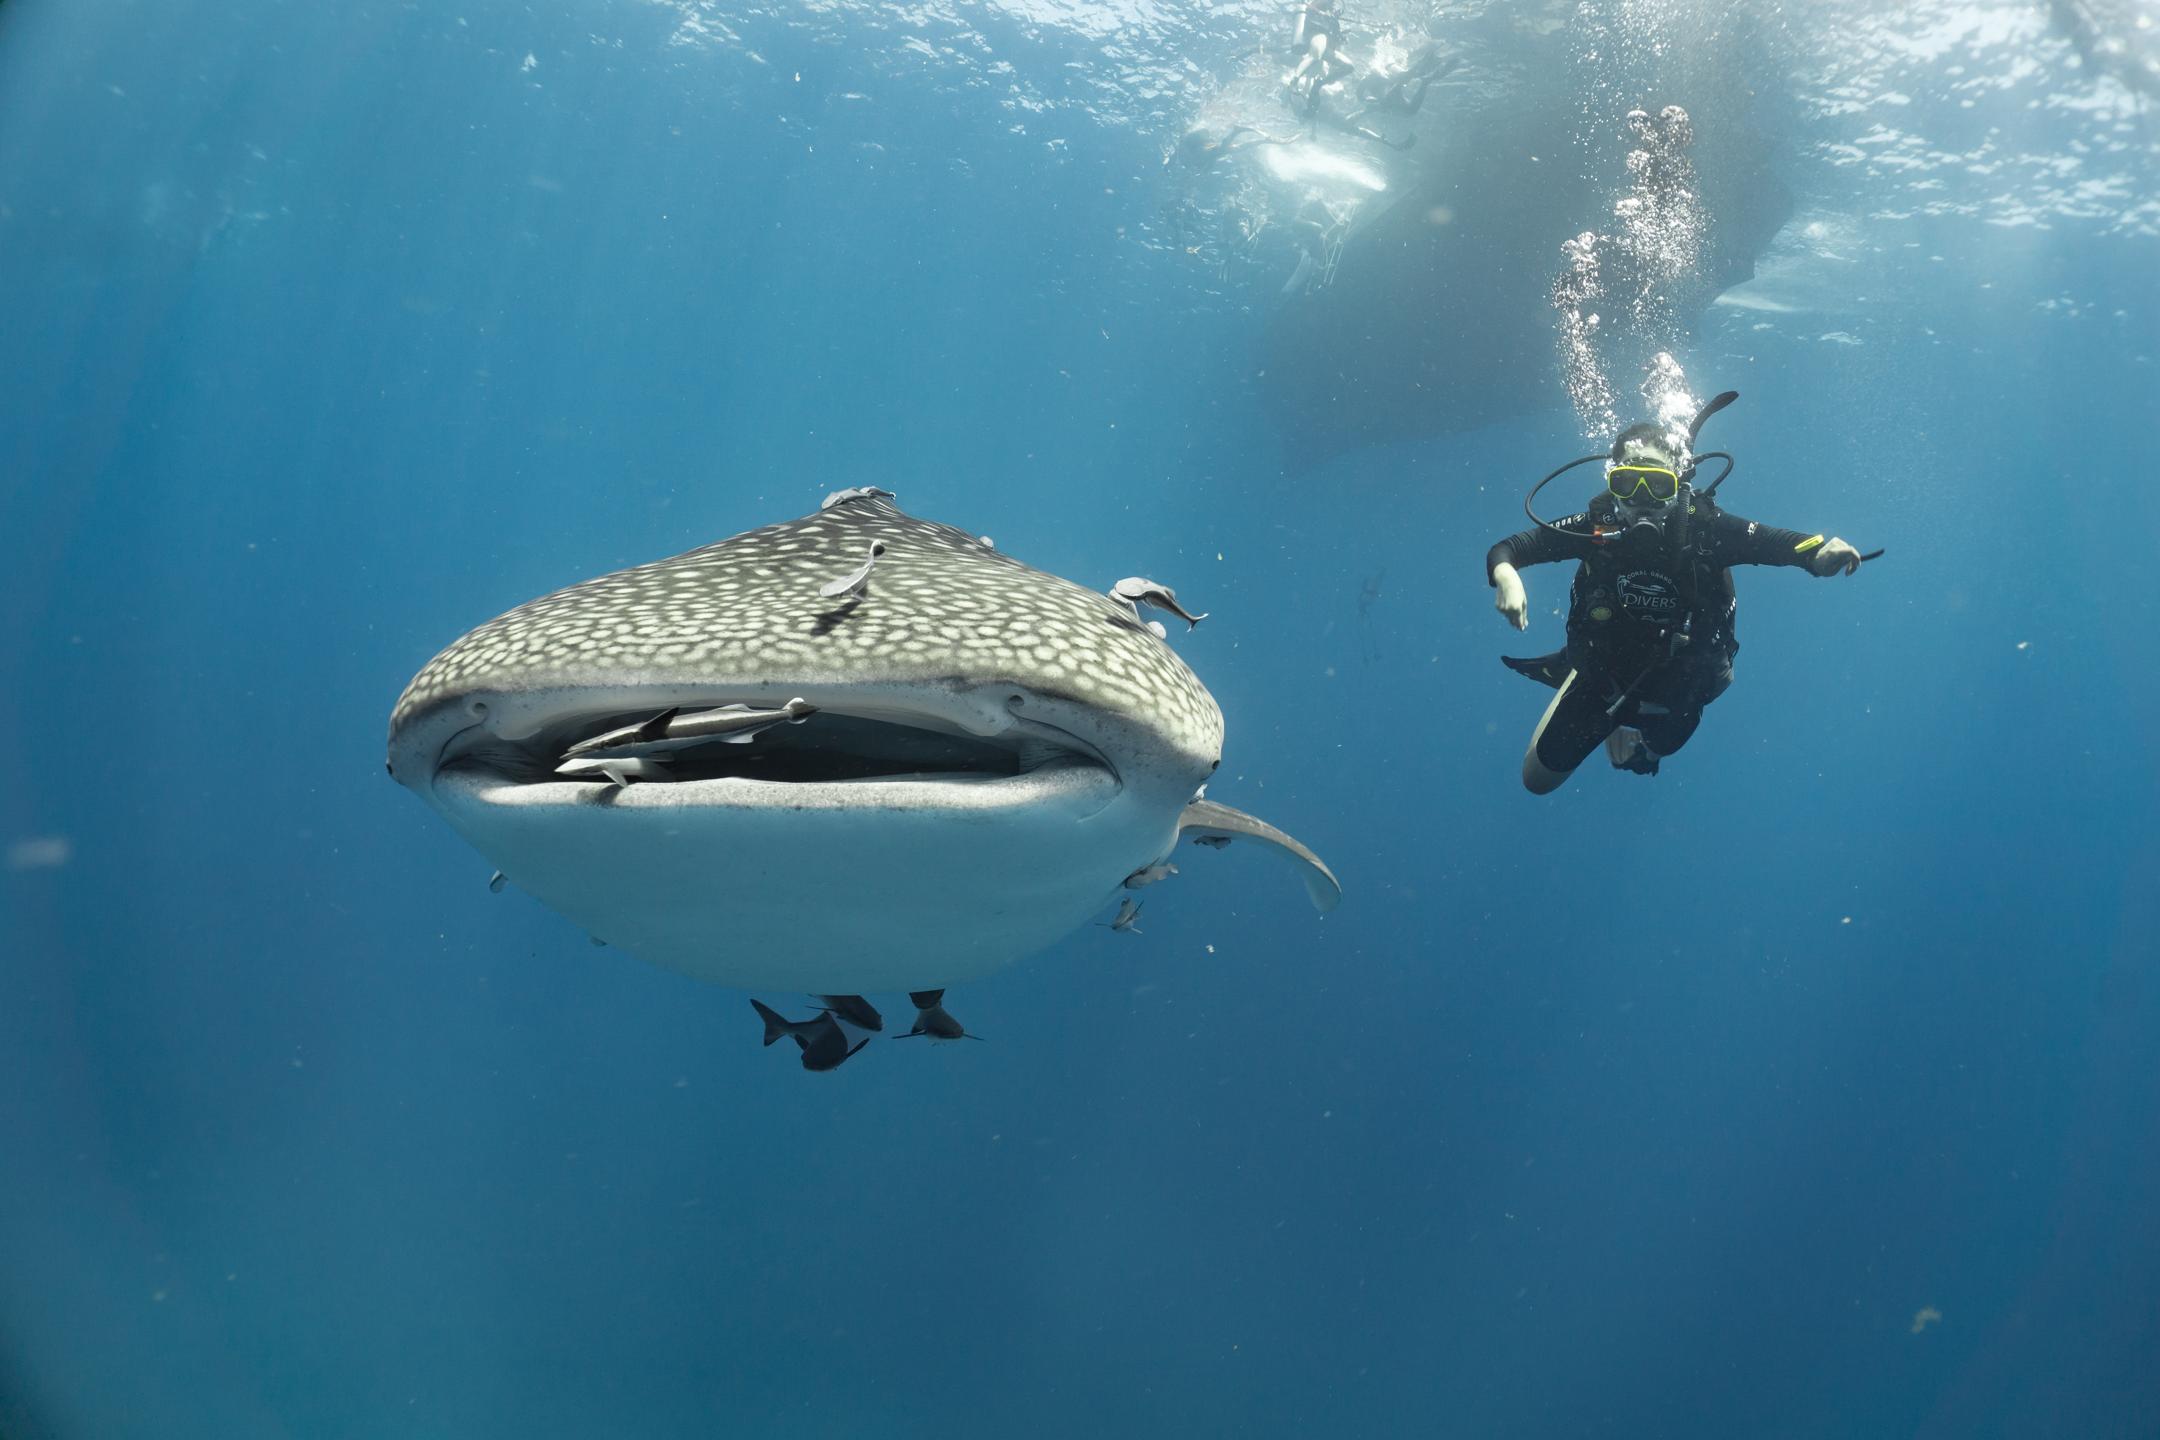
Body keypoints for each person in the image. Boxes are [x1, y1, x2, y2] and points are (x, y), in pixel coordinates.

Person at [1486, 417, 1865, 793]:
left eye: (1656, 486)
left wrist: (1817, 553)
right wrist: (1506, 575)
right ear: (1612, 484)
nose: (1641, 502)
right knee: (1537, 780)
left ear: (1678, 485)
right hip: (1604, 674)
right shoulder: (1596, 528)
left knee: (1652, 749)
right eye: (1626, 484)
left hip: (1680, 687)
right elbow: (1511, 548)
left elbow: (1778, 543)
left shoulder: (1706, 530)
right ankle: (1575, 671)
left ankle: (1643, 748)